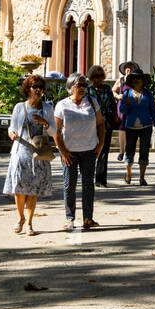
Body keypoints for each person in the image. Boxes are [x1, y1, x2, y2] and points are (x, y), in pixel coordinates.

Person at [3, 73, 55, 235]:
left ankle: (30, 223)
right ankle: (20, 218)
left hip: (38, 154)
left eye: (40, 87)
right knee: (19, 188)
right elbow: (12, 127)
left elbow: (54, 131)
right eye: (35, 87)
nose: (38, 90)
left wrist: (45, 123)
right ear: (28, 89)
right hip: (20, 152)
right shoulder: (19, 107)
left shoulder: (47, 108)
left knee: (33, 189)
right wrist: (11, 133)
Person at [54, 72, 104, 230]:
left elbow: (100, 124)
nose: (83, 88)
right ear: (71, 87)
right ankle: (70, 219)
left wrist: (101, 143)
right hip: (69, 152)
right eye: (79, 85)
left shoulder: (92, 101)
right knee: (69, 185)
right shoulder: (62, 105)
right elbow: (56, 131)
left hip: (89, 150)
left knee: (88, 184)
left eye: (85, 85)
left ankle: (88, 218)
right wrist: (62, 151)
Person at [118, 66, 155, 185]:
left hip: (146, 126)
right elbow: (122, 110)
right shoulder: (126, 93)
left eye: (138, 78)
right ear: (131, 80)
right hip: (130, 126)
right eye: (134, 78)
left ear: (142, 80)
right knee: (129, 151)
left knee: (144, 151)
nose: (136, 80)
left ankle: (142, 177)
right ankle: (128, 174)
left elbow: (153, 110)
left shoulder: (148, 94)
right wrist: (125, 104)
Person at [86, 64, 119, 186]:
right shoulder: (88, 90)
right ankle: (89, 178)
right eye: (95, 76)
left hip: (106, 124)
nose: (98, 79)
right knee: (91, 152)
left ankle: (101, 180)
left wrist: (115, 115)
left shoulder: (107, 89)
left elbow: (112, 104)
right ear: (91, 77)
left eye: (100, 76)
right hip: (91, 124)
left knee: (104, 151)